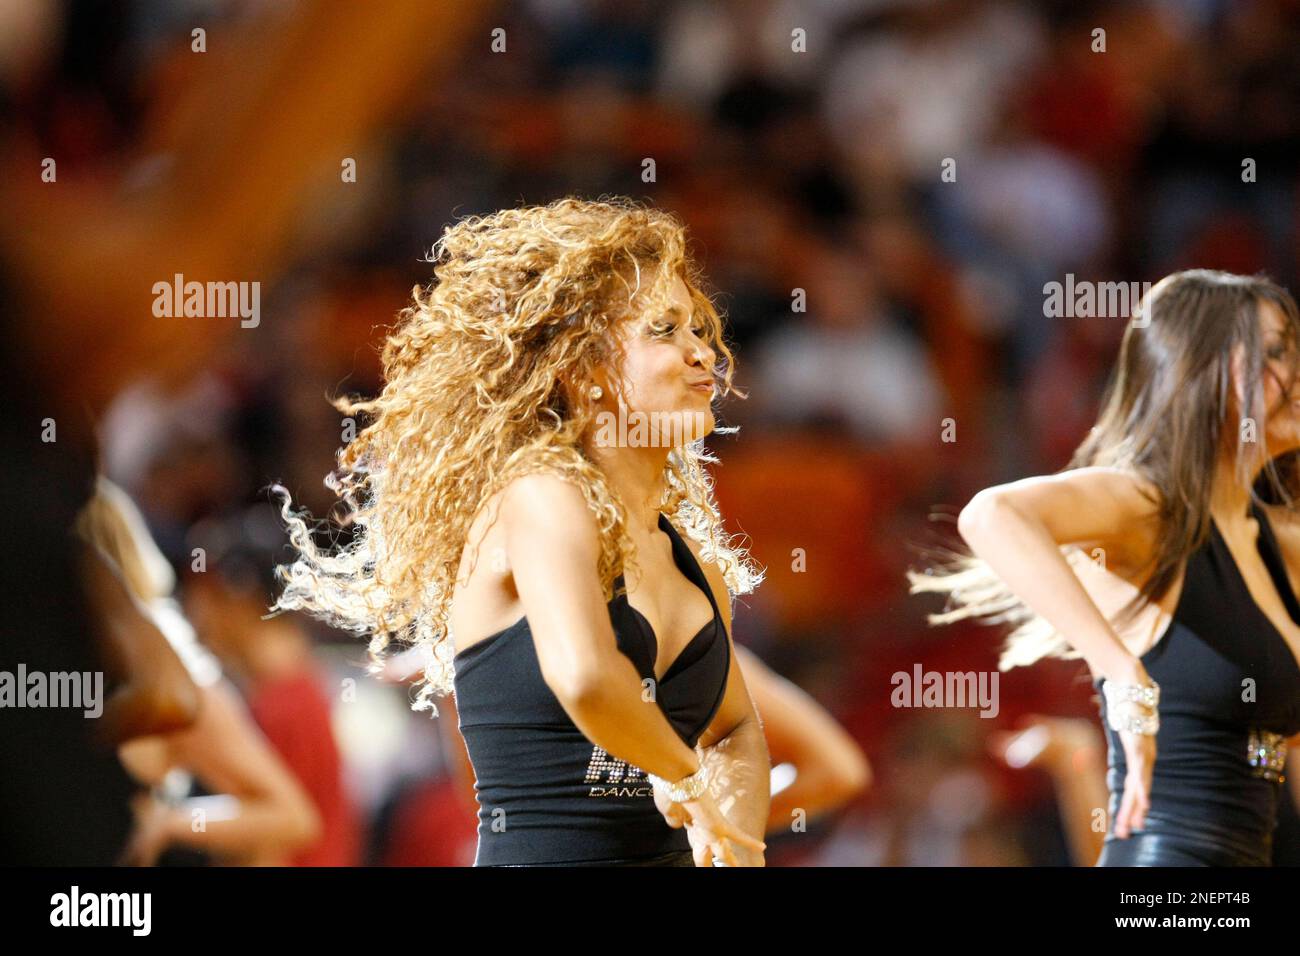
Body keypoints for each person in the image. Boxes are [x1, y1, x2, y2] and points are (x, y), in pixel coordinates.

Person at [273, 197, 770, 866]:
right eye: (665, 330)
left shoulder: (695, 568)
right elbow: (587, 677)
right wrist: (684, 780)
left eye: (700, 330)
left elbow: (736, 728)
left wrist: (735, 843)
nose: (702, 353)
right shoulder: (539, 496)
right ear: (584, 370)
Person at [909, 269, 1300, 866]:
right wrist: (1121, 672)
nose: (1297, 376)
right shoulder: (1148, 506)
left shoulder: (1277, 542)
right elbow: (992, 514)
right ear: (1204, 372)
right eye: (1276, 353)